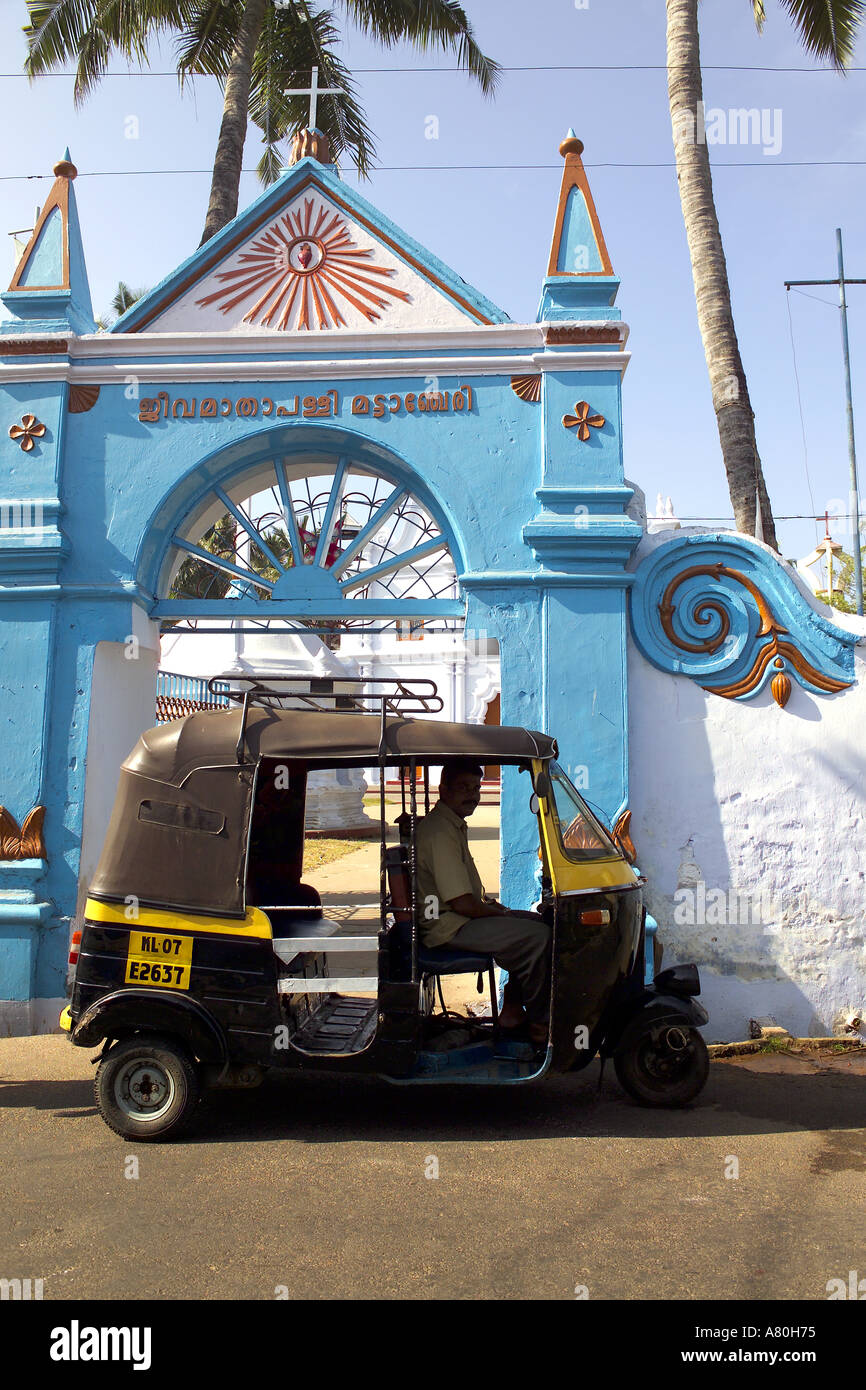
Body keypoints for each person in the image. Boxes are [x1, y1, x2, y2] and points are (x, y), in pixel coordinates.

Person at [415, 759, 551, 1046]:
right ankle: (541, 1024)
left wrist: (499, 911)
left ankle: (513, 1011)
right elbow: (463, 904)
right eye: (463, 787)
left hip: (455, 918)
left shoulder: (451, 824)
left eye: (476, 787)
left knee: (535, 923)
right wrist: (497, 913)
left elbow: (467, 897)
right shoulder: (440, 831)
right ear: (443, 789)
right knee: (539, 938)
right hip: (448, 927)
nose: (472, 795)